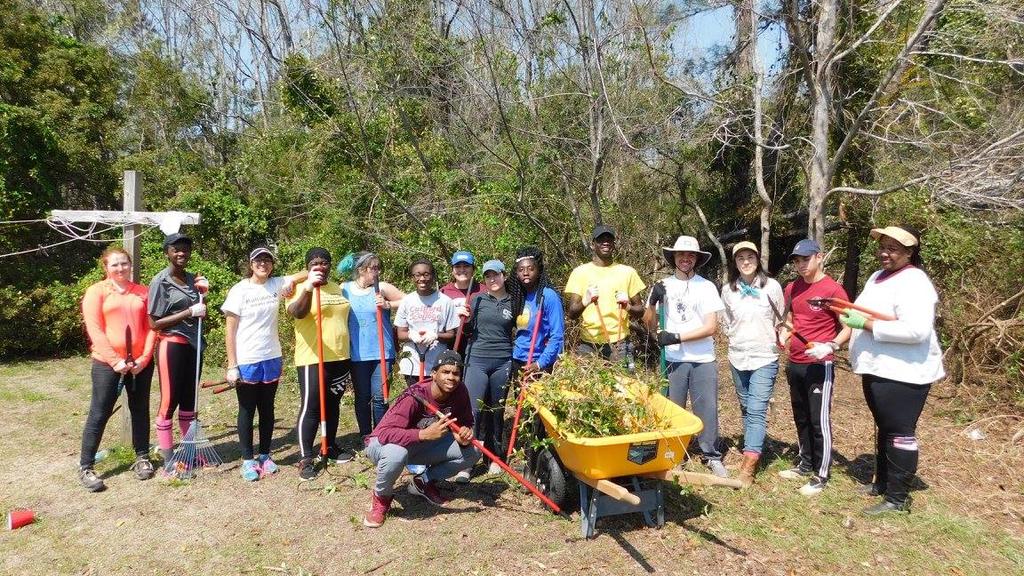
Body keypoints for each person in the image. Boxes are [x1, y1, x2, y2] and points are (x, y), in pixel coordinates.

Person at [843, 226, 944, 515]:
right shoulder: (877, 277)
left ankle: (897, 498)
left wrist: (868, 325)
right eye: (883, 246)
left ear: (910, 252)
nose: (885, 253)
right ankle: (883, 483)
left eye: (893, 249)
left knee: (899, 431)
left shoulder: (916, 282)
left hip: (905, 372)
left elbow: (916, 330)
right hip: (878, 368)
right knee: (884, 427)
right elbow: (862, 310)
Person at [362, 350, 480, 528]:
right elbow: (384, 432)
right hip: (382, 445)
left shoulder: (460, 391)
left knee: (473, 451)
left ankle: (423, 481)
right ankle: (381, 498)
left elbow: (466, 422)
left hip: (420, 447)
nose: (451, 378)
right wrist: (423, 434)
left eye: (456, 373)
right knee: (397, 453)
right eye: (445, 372)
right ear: (434, 374)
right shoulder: (415, 394)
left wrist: (463, 435)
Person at [645, 236, 728, 478]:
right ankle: (672, 454)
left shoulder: (707, 286)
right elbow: (649, 323)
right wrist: (652, 301)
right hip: (673, 359)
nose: (685, 258)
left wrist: (677, 337)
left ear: (696, 259)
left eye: (690, 255)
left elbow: (711, 326)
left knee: (706, 407)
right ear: (674, 257)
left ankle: (711, 454)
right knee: (672, 408)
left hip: (702, 358)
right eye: (681, 254)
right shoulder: (662, 284)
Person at [78, 247, 158, 491]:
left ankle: (142, 457)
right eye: (115, 265)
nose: (120, 268)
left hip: (139, 364)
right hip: (106, 363)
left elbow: (152, 327)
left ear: (130, 265)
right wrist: (115, 361)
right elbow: (95, 329)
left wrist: (144, 359)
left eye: (124, 263)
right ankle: (86, 466)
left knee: (140, 409)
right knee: (100, 412)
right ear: (106, 268)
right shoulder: (96, 292)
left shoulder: (143, 292)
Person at [777, 239, 851, 497]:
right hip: (795, 361)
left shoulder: (833, 289)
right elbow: (790, 319)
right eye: (797, 261)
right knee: (801, 416)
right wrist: (784, 336)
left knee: (819, 420)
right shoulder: (792, 288)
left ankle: (821, 473)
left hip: (820, 364)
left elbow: (848, 325)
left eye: (805, 259)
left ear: (819, 257)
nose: (801, 265)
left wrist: (831, 346)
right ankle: (805, 462)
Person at [221, 245, 301, 481]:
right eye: (258, 260)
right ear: (251, 263)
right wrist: (232, 365)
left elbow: (306, 272)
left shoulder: (276, 284)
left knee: (267, 408)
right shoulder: (239, 290)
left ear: (272, 264)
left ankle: (265, 456)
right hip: (247, 359)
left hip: (271, 356)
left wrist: (291, 284)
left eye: (267, 260)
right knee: (247, 409)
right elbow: (230, 330)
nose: (263, 264)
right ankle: (247, 460)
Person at [719, 241, 784, 487]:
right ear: (735, 263)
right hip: (738, 355)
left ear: (757, 260)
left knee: (757, 409)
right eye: (740, 258)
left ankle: (749, 464)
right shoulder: (728, 289)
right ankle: (753, 447)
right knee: (746, 406)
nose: (746, 262)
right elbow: (725, 320)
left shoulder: (772, 287)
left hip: (764, 356)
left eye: (750, 257)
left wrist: (779, 336)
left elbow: (781, 318)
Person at [286, 247, 353, 481]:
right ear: (307, 266)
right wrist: (307, 287)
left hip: (341, 356)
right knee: (311, 406)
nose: (320, 266)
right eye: (315, 262)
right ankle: (305, 457)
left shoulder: (338, 288)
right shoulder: (297, 289)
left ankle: (330, 445)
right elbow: (297, 312)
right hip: (313, 358)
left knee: (333, 403)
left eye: (325, 262)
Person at [148, 232, 210, 468]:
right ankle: (168, 459)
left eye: (185, 249)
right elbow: (154, 323)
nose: (181, 253)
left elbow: (202, 314)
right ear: (167, 253)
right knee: (169, 401)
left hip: (194, 347)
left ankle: (189, 452)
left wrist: (204, 297)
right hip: (172, 345)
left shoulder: (194, 279)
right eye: (176, 249)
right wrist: (189, 312)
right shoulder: (160, 282)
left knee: (189, 402)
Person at [462, 259, 521, 477]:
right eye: (488, 276)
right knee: (473, 411)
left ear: (504, 276)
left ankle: (494, 457)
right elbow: (466, 329)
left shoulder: (515, 302)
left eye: (496, 275)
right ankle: (467, 460)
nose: (492, 279)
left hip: (503, 360)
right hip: (476, 359)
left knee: (496, 411)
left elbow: (523, 329)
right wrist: (464, 318)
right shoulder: (476, 300)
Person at [338, 251, 404, 439]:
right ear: (361, 270)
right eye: (373, 268)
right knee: (362, 397)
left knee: (380, 397)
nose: (378, 272)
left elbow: (410, 299)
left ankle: (381, 435)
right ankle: (366, 436)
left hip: (382, 352)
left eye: (378, 267)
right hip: (357, 352)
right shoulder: (345, 288)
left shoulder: (381, 287)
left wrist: (388, 305)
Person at [565, 225, 646, 366]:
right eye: (601, 240)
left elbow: (640, 311)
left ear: (614, 244)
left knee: (627, 386)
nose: (606, 242)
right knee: (585, 388)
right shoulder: (580, 272)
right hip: (589, 346)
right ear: (593, 244)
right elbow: (571, 313)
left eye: (609, 239)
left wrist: (627, 307)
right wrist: (585, 301)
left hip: (621, 345)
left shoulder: (627, 272)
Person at [394, 259, 458, 386]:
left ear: (433, 276)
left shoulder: (445, 301)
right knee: (415, 400)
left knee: (434, 402)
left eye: (426, 274)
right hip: (412, 364)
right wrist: (412, 335)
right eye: (417, 275)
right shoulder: (407, 301)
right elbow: (400, 335)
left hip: (438, 364)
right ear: (412, 277)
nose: (422, 278)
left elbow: (452, 335)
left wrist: (435, 335)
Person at [511, 247, 565, 379]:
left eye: (530, 269)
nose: (525, 273)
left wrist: (540, 363)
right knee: (520, 400)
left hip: (539, 362)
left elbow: (557, 335)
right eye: (521, 270)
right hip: (518, 360)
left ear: (539, 271)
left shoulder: (548, 296)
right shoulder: (518, 296)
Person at [440, 250, 485, 355]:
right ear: (452, 270)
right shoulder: (443, 292)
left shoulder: (484, 291)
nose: (462, 270)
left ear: (473, 269)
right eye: (457, 266)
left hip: (478, 345)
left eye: (466, 266)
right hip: (451, 345)